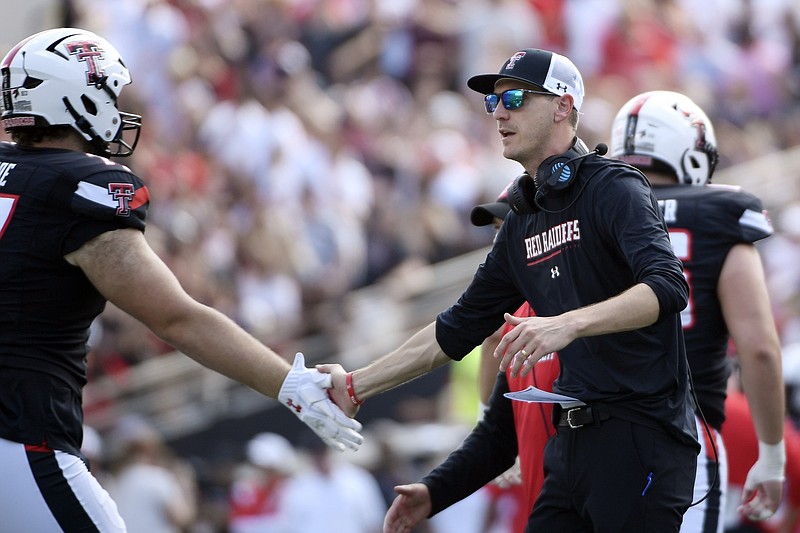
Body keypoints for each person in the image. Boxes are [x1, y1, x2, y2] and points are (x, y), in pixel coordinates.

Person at [0, 27, 362, 531]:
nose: (118, 105)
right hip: (21, 440)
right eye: (108, 91)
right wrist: (289, 382)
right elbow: (176, 318)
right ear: (75, 96)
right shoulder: (81, 186)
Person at [321, 48, 699, 531]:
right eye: (493, 102)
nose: (499, 112)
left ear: (563, 106)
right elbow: (454, 330)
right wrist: (358, 384)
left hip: (641, 436)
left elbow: (667, 286)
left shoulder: (614, 187)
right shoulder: (521, 221)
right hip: (569, 447)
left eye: (515, 98)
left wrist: (566, 324)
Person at [381, 90, 788, 533]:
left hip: (597, 435)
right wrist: (772, 455)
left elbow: (498, 340)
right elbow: (760, 348)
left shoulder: (588, 206)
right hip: (678, 432)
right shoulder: (712, 214)